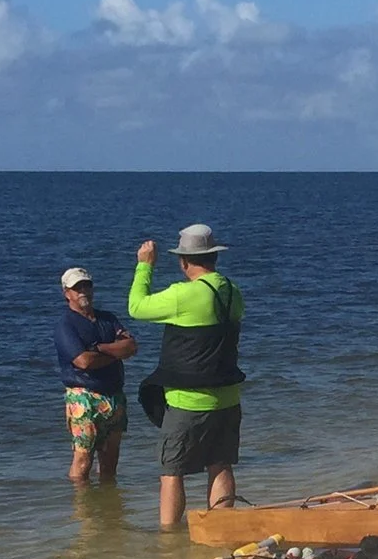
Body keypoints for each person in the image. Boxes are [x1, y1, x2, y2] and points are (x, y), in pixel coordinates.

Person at [127, 224, 244, 529]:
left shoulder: (183, 295)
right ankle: (222, 532)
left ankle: (169, 541)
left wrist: (144, 266)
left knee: (172, 471)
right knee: (220, 465)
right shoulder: (233, 292)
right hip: (228, 398)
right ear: (213, 258)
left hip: (188, 401)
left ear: (183, 261)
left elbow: (136, 307)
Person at [53, 266, 136, 485]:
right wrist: (115, 352)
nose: (83, 291)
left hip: (114, 396)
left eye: (86, 285)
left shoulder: (107, 319)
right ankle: (83, 509)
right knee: (83, 461)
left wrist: (99, 348)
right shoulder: (66, 324)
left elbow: (131, 346)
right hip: (84, 397)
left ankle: (108, 509)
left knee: (111, 461)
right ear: (66, 293)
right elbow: (83, 361)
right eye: (77, 287)